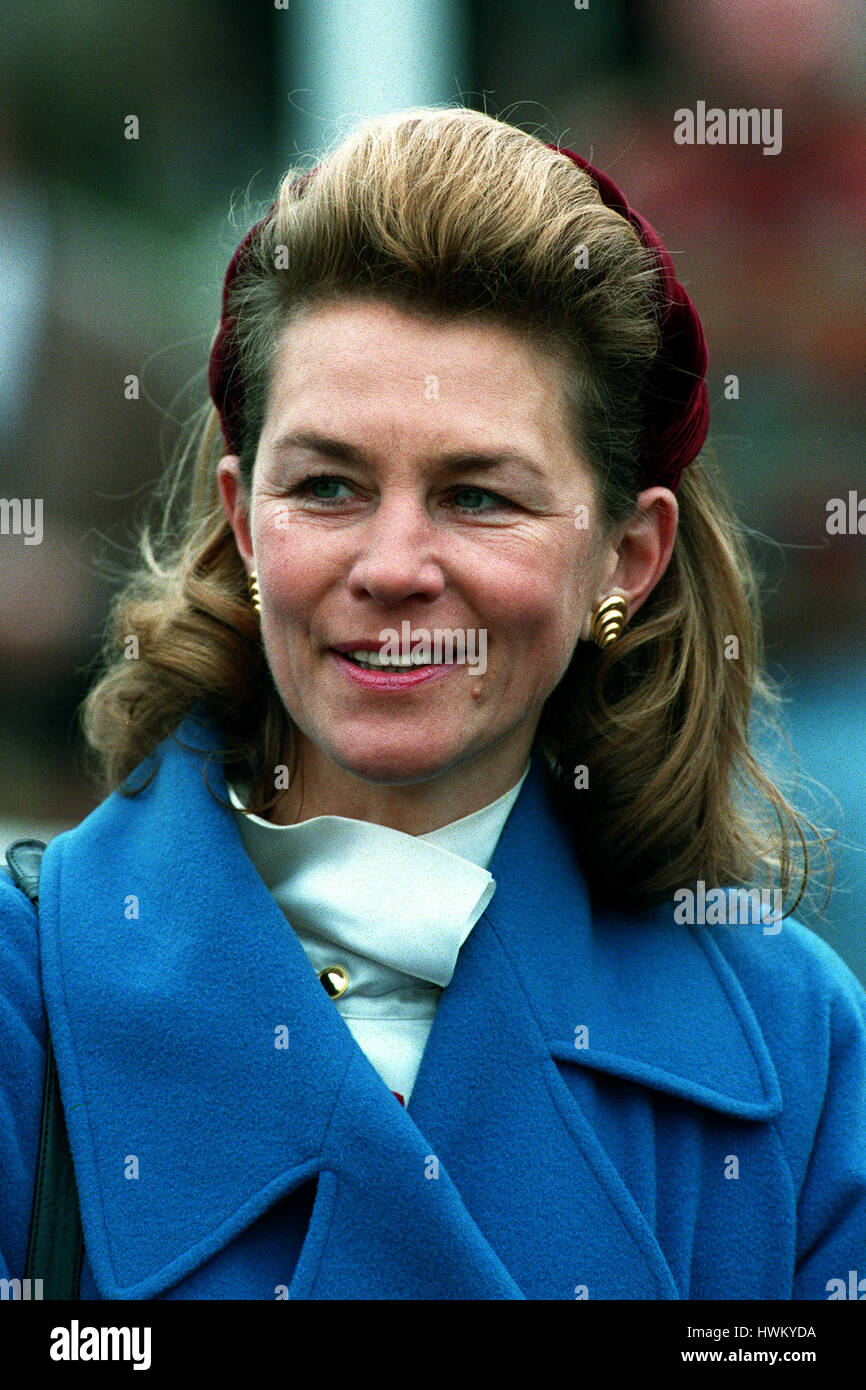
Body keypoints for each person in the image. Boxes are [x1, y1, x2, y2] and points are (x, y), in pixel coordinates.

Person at [1, 106, 864, 1302]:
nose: (393, 565)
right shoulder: (26, 1000)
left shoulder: (793, 1054)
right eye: (327, 486)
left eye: (476, 496)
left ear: (624, 558)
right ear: (244, 522)